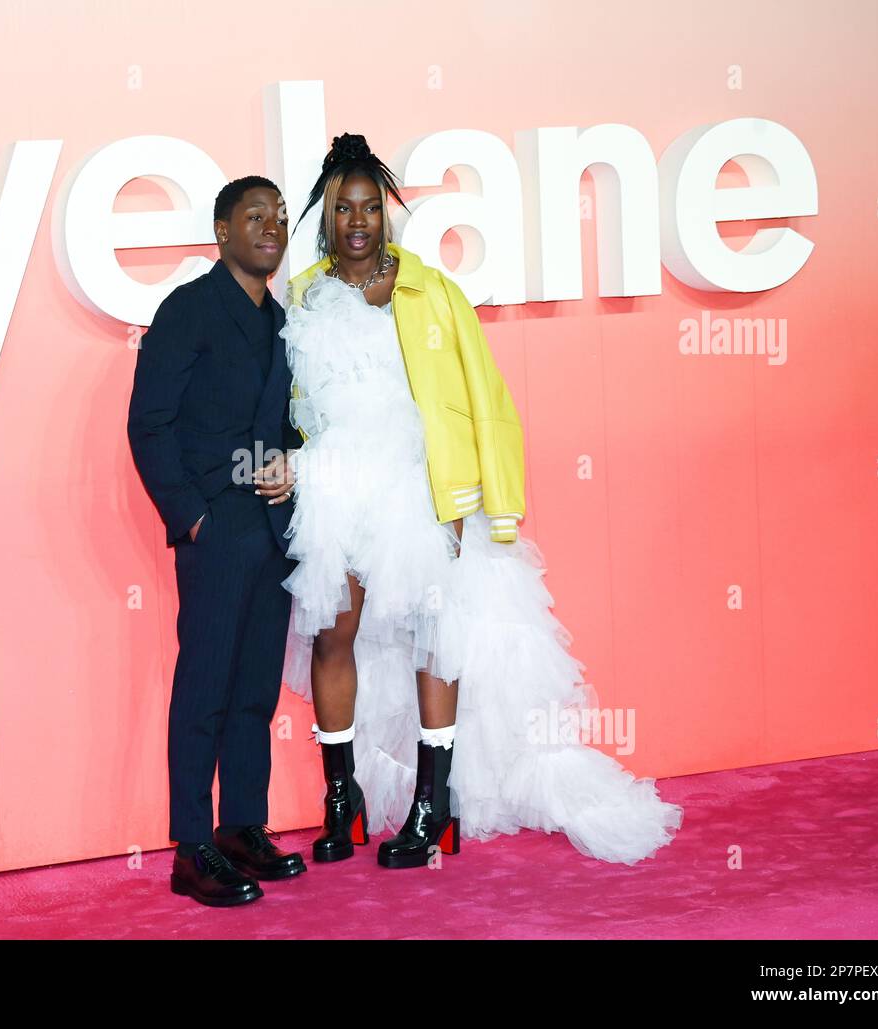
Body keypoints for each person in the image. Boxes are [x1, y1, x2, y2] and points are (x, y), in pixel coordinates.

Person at [271, 133, 684, 869]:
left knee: (437, 634)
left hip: (418, 482)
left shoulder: (432, 290)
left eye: (371, 207)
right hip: (336, 484)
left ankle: (436, 805)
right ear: (324, 217)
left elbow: (484, 398)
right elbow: (294, 398)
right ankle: (345, 798)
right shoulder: (303, 294)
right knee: (333, 634)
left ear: (388, 215)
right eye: (343, 208)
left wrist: (487, 502)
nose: (358, 221)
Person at [127, 176, 307, 906]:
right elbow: (149, 422)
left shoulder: (282, 322)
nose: (271, 227)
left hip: (273, 528)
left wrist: (294, 466)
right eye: (254, 216)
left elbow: (291, 424)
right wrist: (191, 516)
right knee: (203, 686)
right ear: (223, 231)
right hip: (217, 529)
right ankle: (192, 848)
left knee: (254, 690)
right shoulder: (188, 311)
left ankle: (241, 827)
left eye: (279, 217)